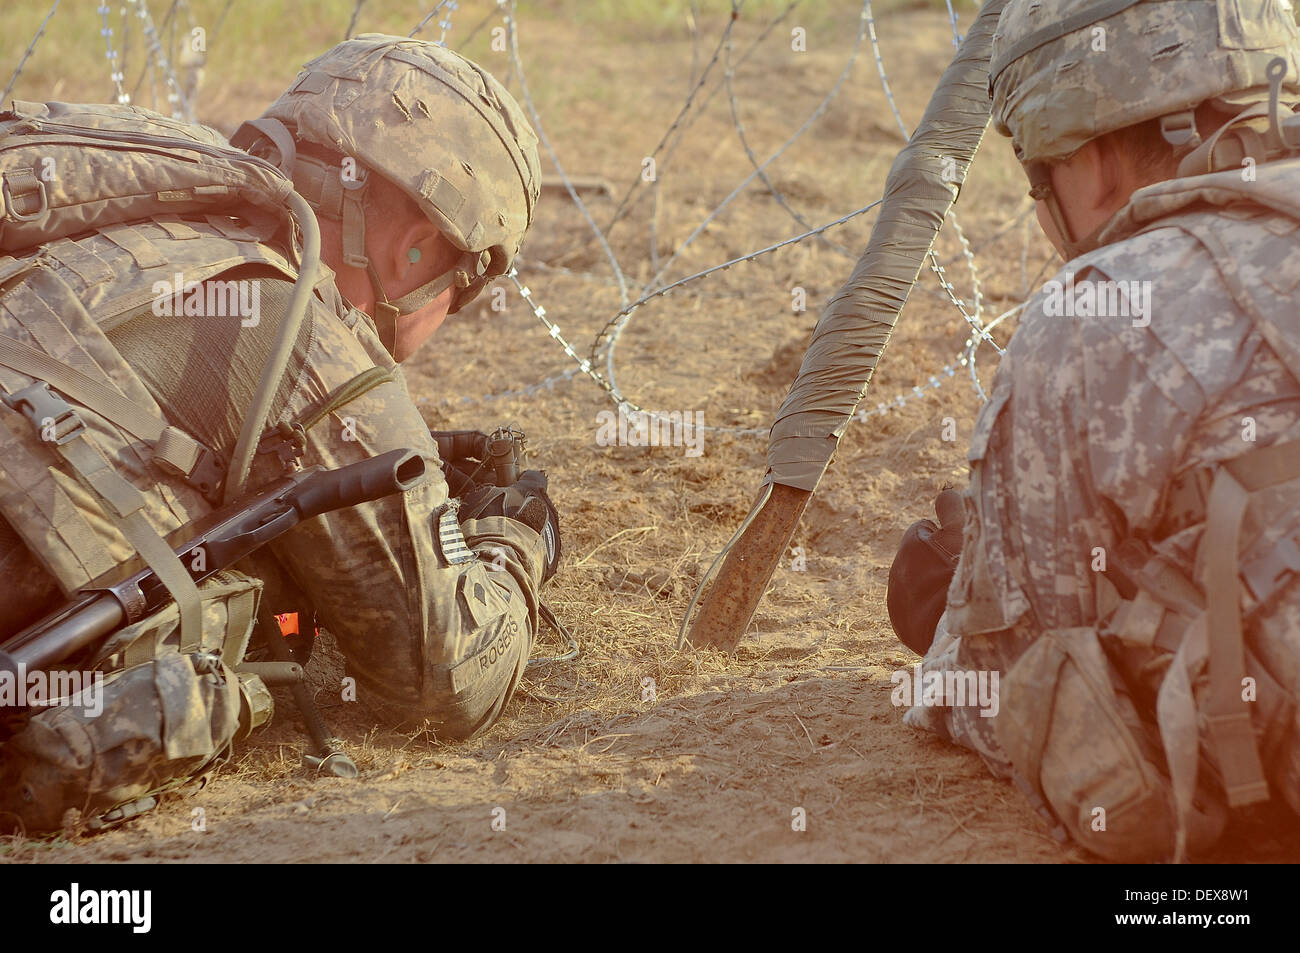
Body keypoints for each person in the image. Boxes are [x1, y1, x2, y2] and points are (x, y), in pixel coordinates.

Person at [0, 35, 556, 833]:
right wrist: (510, 540)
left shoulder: (146, 200)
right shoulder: (301, 329)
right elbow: (444, 680)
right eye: (462, 289)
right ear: (419, 248)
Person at [888, 0, 1300, 861]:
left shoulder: (1095, 312)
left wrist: (948, 625)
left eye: (1043, 173)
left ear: (1094, 156)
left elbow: (1042, 699)